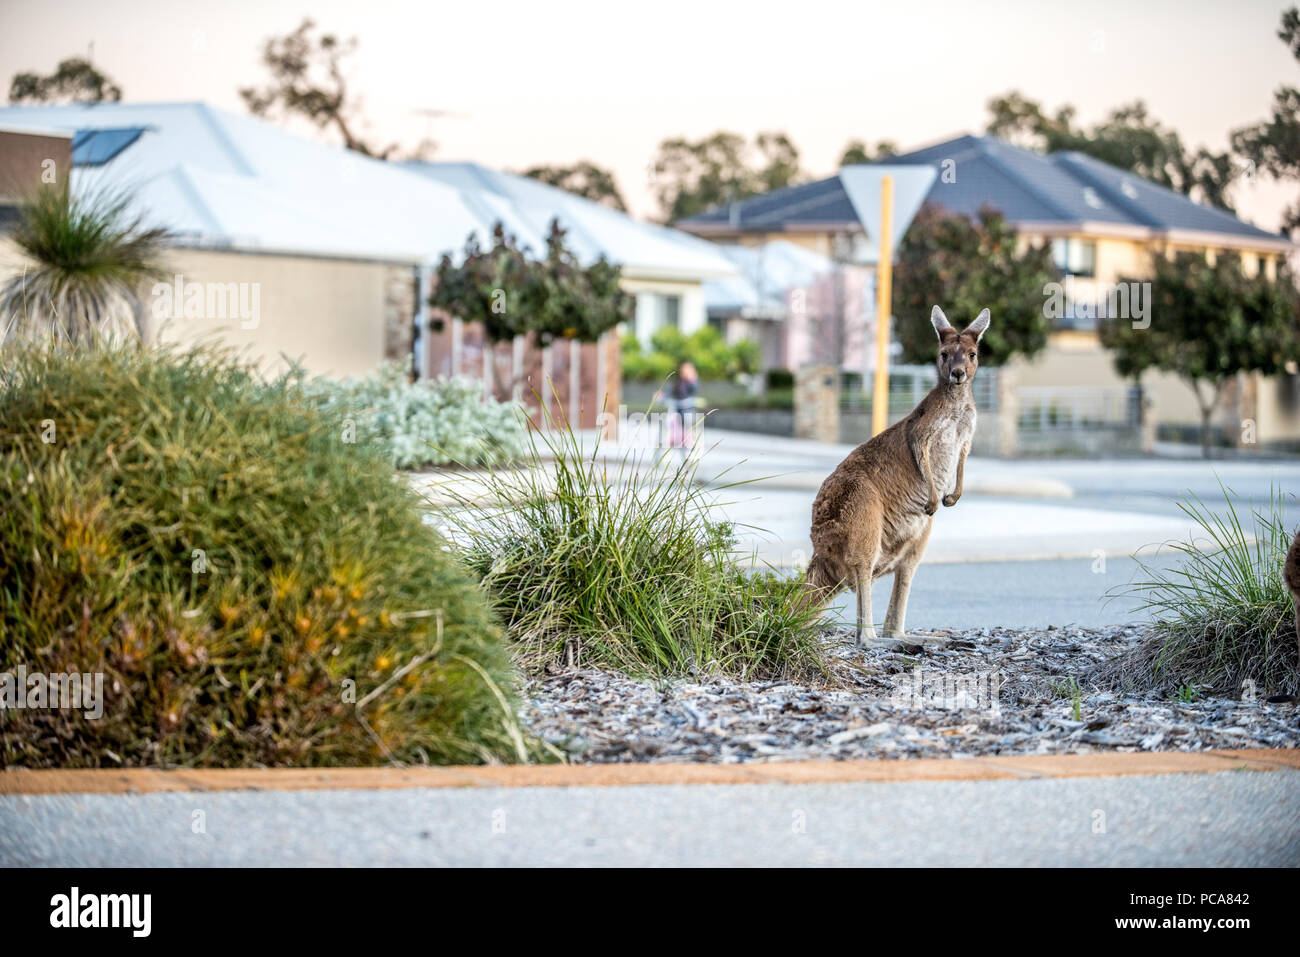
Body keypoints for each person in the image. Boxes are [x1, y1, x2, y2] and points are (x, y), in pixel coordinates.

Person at [667, 360, 699, 455]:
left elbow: (692, 393)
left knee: (686, 423)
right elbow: (672, 393)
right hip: (677, 409)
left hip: (687, 410)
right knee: (671, 422)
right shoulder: (679, 382)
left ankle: (687, 441)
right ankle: (675, 439)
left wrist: (691, 379)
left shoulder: (692, 382)